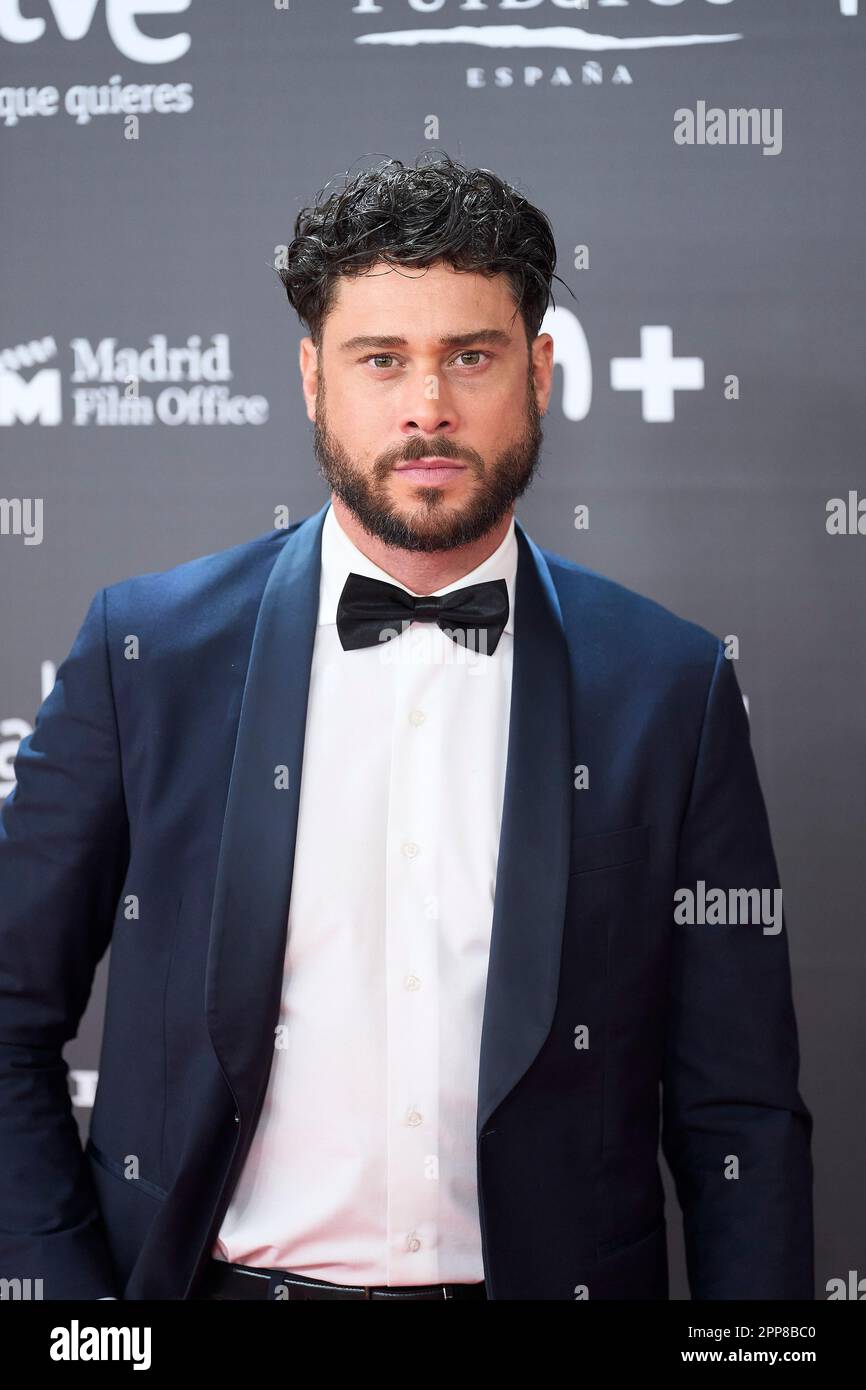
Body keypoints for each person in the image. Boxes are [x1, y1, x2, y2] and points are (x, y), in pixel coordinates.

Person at [0, 153, 813, 1301]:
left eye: (468, 357)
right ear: (311, 378)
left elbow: (738, 1109)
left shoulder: (667, 686)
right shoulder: (148, 654)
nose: (425, 405)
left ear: (537, 372)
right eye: (380, 359)